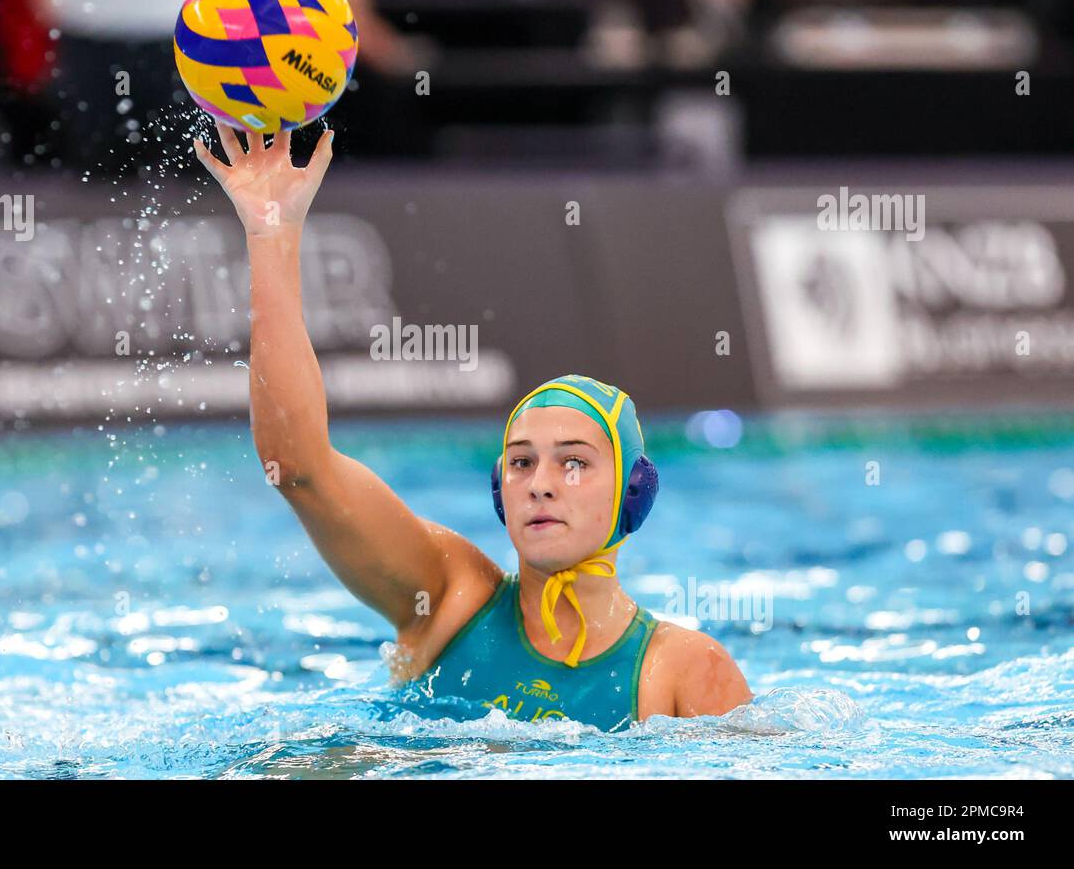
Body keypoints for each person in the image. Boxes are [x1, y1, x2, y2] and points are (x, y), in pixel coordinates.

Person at [193, 126, 754, 730]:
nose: (540, 484)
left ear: (632, 493)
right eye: (521, 462)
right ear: (498, 490)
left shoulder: (683, 671)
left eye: (573, 461)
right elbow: (297, 466)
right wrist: (271, 235)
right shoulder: (447, 598)